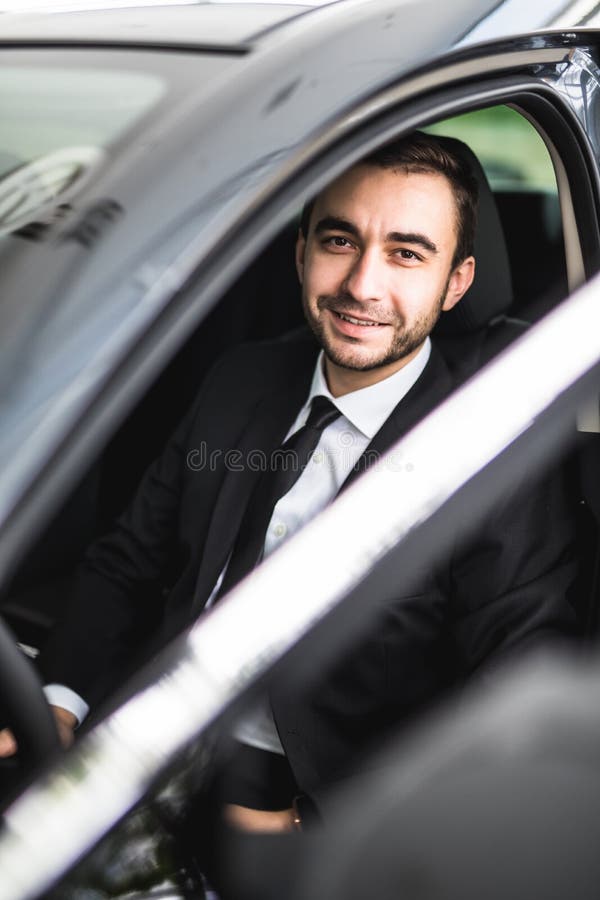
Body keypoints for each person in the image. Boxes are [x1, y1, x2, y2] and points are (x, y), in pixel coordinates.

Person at [0, 132, 579, 837]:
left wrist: (313, 830)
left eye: (406, 253)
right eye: (340, 241)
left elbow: (519, 689)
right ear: (301, 252)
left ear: (456, 281)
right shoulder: (240, 380)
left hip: (319, 808)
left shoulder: (495, 447)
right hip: (142, 750)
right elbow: (125, 564)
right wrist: (62, 702)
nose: (362, 285)